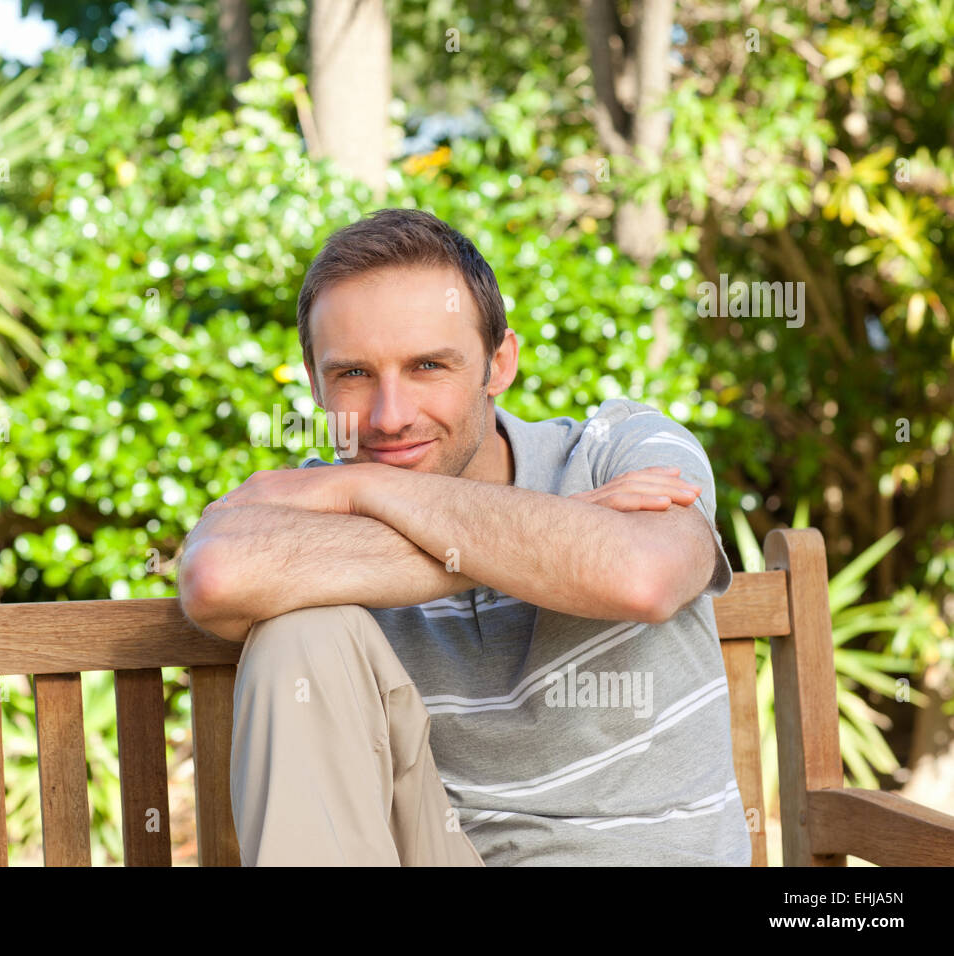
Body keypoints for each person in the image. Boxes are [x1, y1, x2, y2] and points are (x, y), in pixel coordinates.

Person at [177, 207, 751, 866]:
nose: (390, 418)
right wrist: (553, 534)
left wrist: (367, 491)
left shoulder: (620, 450)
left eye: (427, 366)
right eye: (354, 375)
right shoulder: (313, 504)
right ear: (314, 381)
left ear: (497, 364)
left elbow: (641, 577)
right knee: (298, 634)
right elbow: (215, 575)